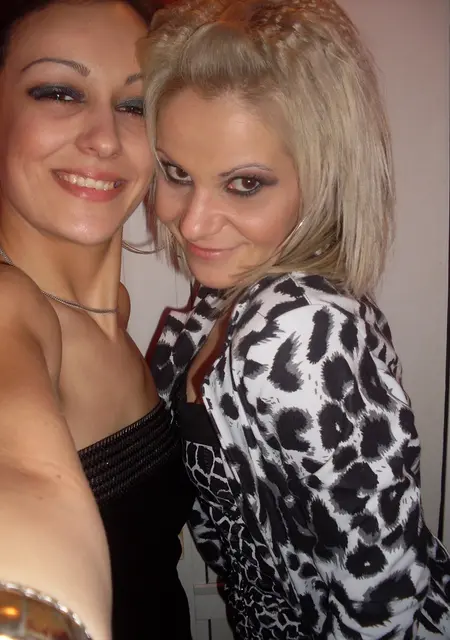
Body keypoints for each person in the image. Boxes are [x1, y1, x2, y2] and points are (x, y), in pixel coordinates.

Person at [141, 0, 450, 637]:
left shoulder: (300, 330)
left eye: (244, 184)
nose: (192, 222)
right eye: (176, 172)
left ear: (322, 179)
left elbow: (382, 600)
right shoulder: (227, 298)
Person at [0, 1, 194, 638]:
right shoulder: (12, 308)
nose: (105, 139)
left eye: (135, 106)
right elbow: (21, 480)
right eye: (59, 92)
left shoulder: (119, 310)